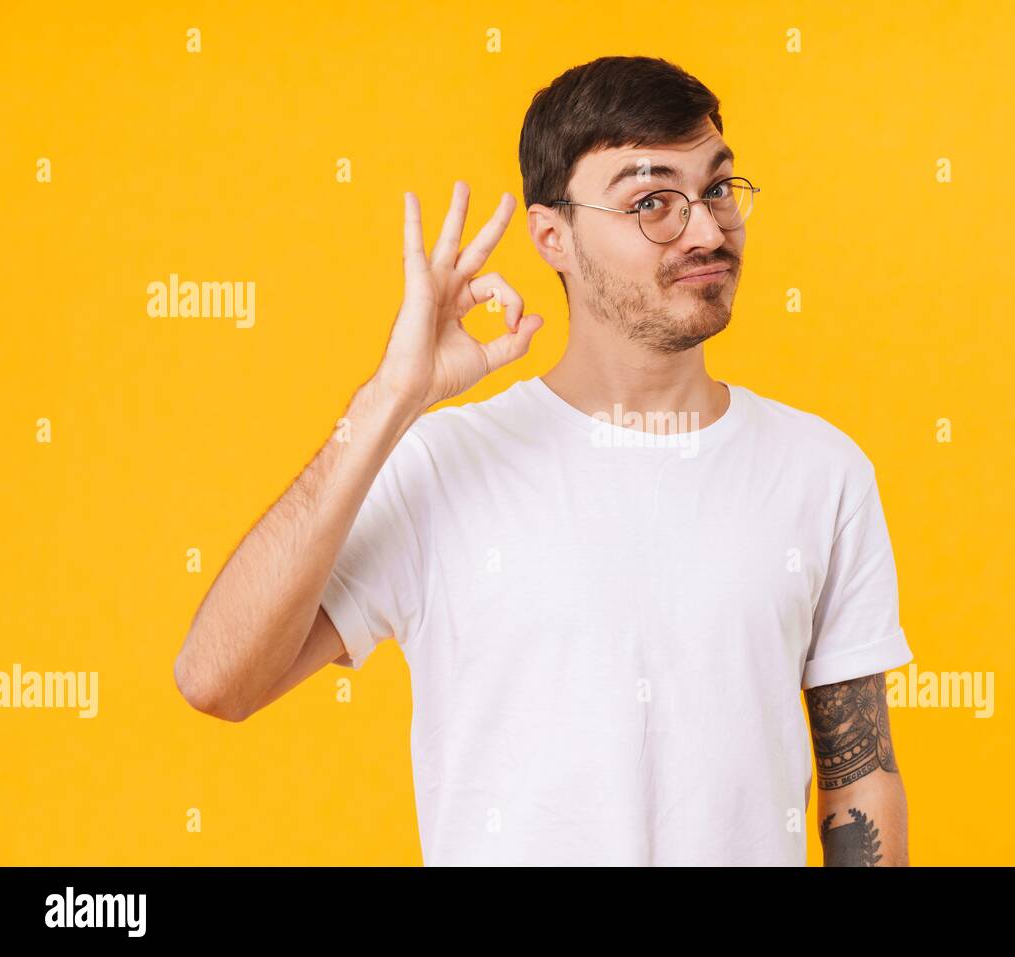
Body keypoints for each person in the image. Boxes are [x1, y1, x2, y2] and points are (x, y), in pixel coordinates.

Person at [174, 55, 914, 866]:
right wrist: (388, 400)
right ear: (551, 236)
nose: (706, 230)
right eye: (652, 202)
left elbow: (858, 779)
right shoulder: (445, 464)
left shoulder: (822, 471)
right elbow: (219, 678)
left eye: (716, 190)